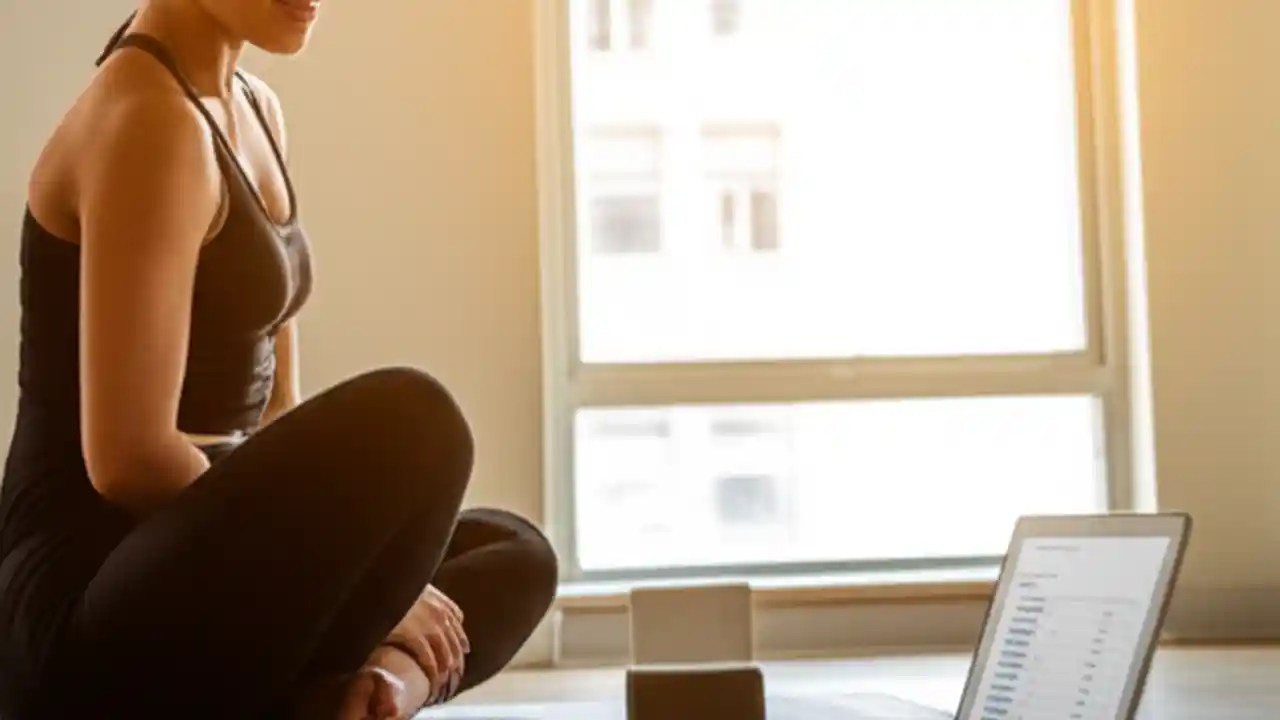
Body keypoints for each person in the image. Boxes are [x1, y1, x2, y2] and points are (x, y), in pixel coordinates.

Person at [0, 1, 558, 717]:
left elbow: (277, 415)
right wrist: (380, 593)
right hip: (85, 603)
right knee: (418, 422)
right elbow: (128, 458)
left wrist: (377, 581)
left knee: (515, 551)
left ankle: (379, 690)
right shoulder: (148, 118)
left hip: (201, 562)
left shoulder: (254, 108)